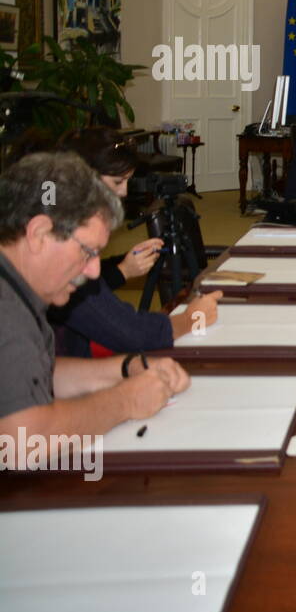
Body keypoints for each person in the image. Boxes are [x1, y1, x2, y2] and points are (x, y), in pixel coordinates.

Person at [0, 153, 192, 442]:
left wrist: (124, 368)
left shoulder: (19, 287)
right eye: (88, 252)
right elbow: (22, 438)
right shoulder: (6, 309)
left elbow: (37, 376)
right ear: (39, 233)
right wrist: (125, 401)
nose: (93, 272)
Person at [46, 129, 222, 356]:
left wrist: (123, 268)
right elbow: (130, 334)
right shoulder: (58, 239)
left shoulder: (53, 216)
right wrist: (192, 319)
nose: (123, 192)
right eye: (117, 181)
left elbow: (87, 290)